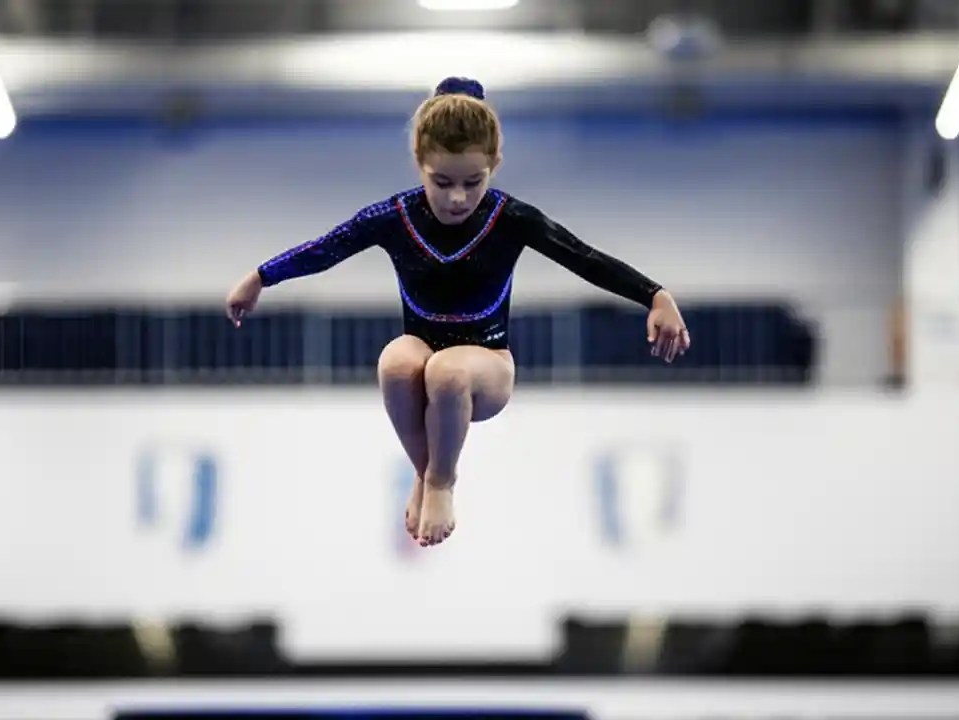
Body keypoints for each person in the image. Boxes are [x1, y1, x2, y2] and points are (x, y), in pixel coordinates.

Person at [225, 77, 691, 548]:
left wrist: (655, 295)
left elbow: (584, 256)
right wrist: (262, 276)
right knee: (396, 360)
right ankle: (425, 472)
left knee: (447, 371)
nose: (456, 198)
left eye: (473, 182)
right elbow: (326, 248)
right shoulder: (394, 217)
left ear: (495, 165)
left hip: (486, 366)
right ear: (419, 164)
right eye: (441, 182)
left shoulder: (511, 219)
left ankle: (440, 482)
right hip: (421, 352)